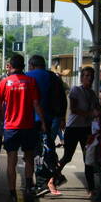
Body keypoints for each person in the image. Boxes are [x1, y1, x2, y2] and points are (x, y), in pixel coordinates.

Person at [0, 53, 47, 202]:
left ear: (10, 66)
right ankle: (29, 189)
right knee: (29, 158)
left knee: (12, 159)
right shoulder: (30, 81)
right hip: (28, 126)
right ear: (24, 66)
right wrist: (43, 122)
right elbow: (37, 104)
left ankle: (12, 195)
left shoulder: (5, 83)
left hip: (11, 127)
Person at [26, 54, 66, 194]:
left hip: (29, 120)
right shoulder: (53, 77)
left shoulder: (27, 76)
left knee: (33, 152)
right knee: (47, 148)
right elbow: (62, 99)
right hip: (48, 120)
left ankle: (38, 183)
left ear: (31, 65)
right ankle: (52, 176)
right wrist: (61, 117)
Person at [57, 65, 100, 184]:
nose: (89, 78)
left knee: (88, 158)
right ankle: (52, 177)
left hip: (86, 129)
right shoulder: (76, 90)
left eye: (91, 76)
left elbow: (98, 108)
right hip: (73, 128)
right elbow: (74, 108)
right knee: (67, 157)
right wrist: (90, 114)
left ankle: (91, 187)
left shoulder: (92, 93)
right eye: (86, 76)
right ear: (81, 78)